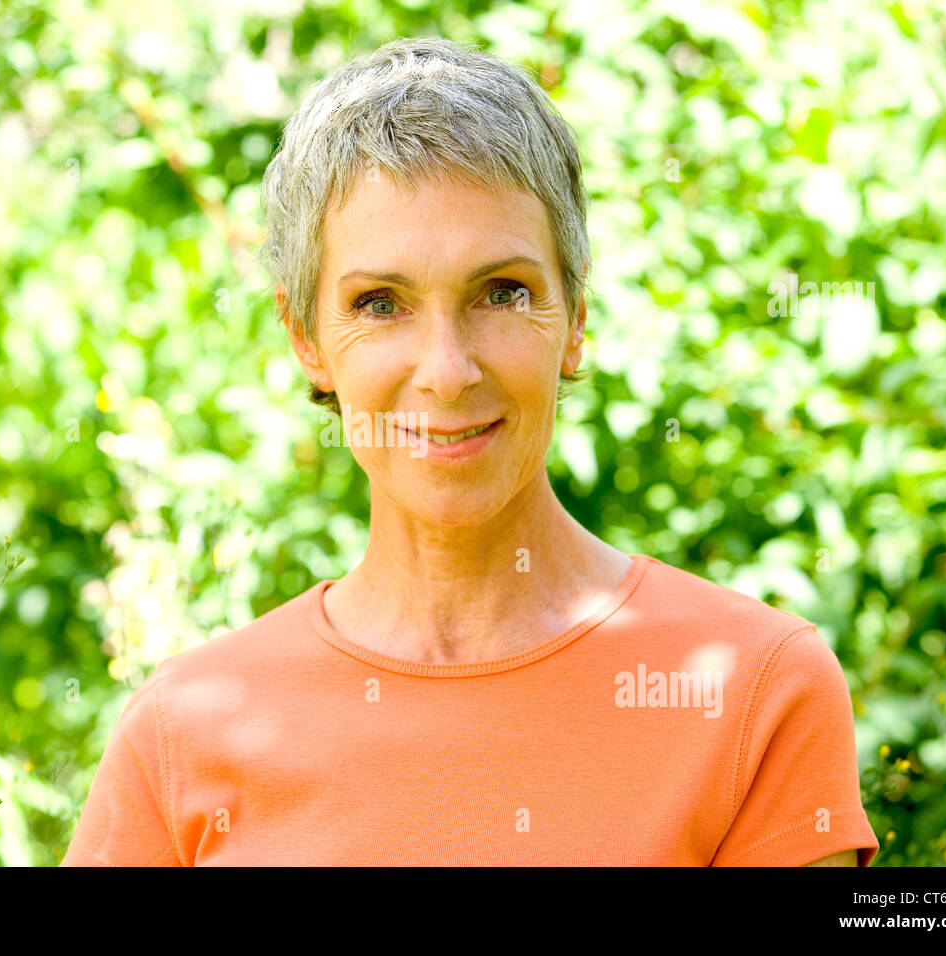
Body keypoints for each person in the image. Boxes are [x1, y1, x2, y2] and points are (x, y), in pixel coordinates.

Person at [61, 36, 878, 866]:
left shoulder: (757, 690)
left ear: (576, 320)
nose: (447, 372)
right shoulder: (185, 729)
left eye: (502, 293)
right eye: (381, 304)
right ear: (307, 338)